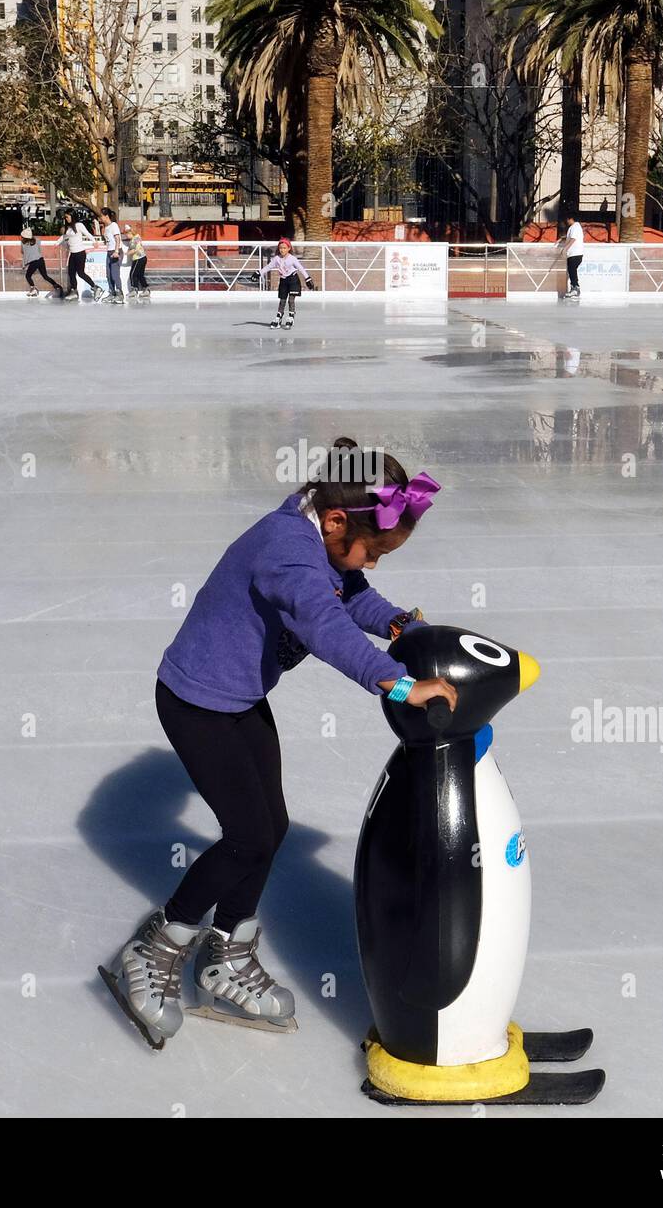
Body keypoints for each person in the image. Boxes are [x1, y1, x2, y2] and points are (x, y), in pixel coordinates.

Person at [99, 440, 453, 1047]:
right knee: (247, 838)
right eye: (372, 550)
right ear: (337, 520)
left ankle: (226, 955)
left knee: (272, 826)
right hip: (194, 705)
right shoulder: (286, 551)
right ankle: (155, 947)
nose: (370, 562)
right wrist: (396, 685)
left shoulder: (320, 531)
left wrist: (403, 627)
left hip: (238, 700)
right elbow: (324, 623)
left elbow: (352, 593)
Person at [251, 238, 313, 328]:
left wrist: (307, 278)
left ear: (289, 248)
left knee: (291, 300)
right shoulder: (277, 259)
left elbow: (301, 268)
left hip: (293, 280)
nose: (282, 250)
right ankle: (279, 317)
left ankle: (291, 316)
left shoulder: (292, 259)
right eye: (280, 248)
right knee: (282, 300)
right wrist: (258, 273)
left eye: (284, 248)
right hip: (283, 281)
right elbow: (268, 267)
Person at [60, 208, 100, 300]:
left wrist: (94, 241)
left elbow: (87, 234)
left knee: (81, 273)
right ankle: (74, 291)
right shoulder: (68, 228)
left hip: (80, 253)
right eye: (65, 217)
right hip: (72, 253)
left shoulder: (79, 225)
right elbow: (64, 239)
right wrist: (58, 244)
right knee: (71, 273)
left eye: (67, 217)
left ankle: (95, 287)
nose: (66, 219)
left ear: (72, 216)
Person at [20, 226, 62, 298]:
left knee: (28, 276)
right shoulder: (37, 240)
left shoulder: (23, 244)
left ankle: (33, 289)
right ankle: (57, 286)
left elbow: (24, 254)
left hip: (34, 262)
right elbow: (39, 250)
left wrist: (24, 264)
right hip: (40, 260)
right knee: (45, 276)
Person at [99, 207, 124, 304]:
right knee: (108, 275)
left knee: (115, 274)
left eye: (101, 216)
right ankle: (112, 293)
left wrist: (117, 251)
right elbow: (107, 241)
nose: (100, 218)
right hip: (109, 252)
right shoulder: (106, 227)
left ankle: (119, 294)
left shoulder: (114, 225)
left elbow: (117, 239)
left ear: (106, 216)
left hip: (115, 252)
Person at [559, 212, 584, 298]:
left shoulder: (575, 227)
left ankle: (575, 289)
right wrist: (562, 239)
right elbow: (570, 237)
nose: (566, 221)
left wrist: (565, 248)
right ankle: (574, 288)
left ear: (570, 219)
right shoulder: (574, 227)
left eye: (567, 219)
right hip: (574, 254)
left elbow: (573, 238)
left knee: (572, 270)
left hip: (575, 254)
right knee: (571, 270)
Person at [125, 227, 148, 300]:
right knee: (140, 275)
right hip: (143, 258)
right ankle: (146, 289)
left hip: (138, 258)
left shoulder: (135, 239)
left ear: (130, 233)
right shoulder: (136, 238)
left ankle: (134, 289)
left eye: (127, 234)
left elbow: (135, 249)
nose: (126, 236)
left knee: (133, 274)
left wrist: (127, 253)